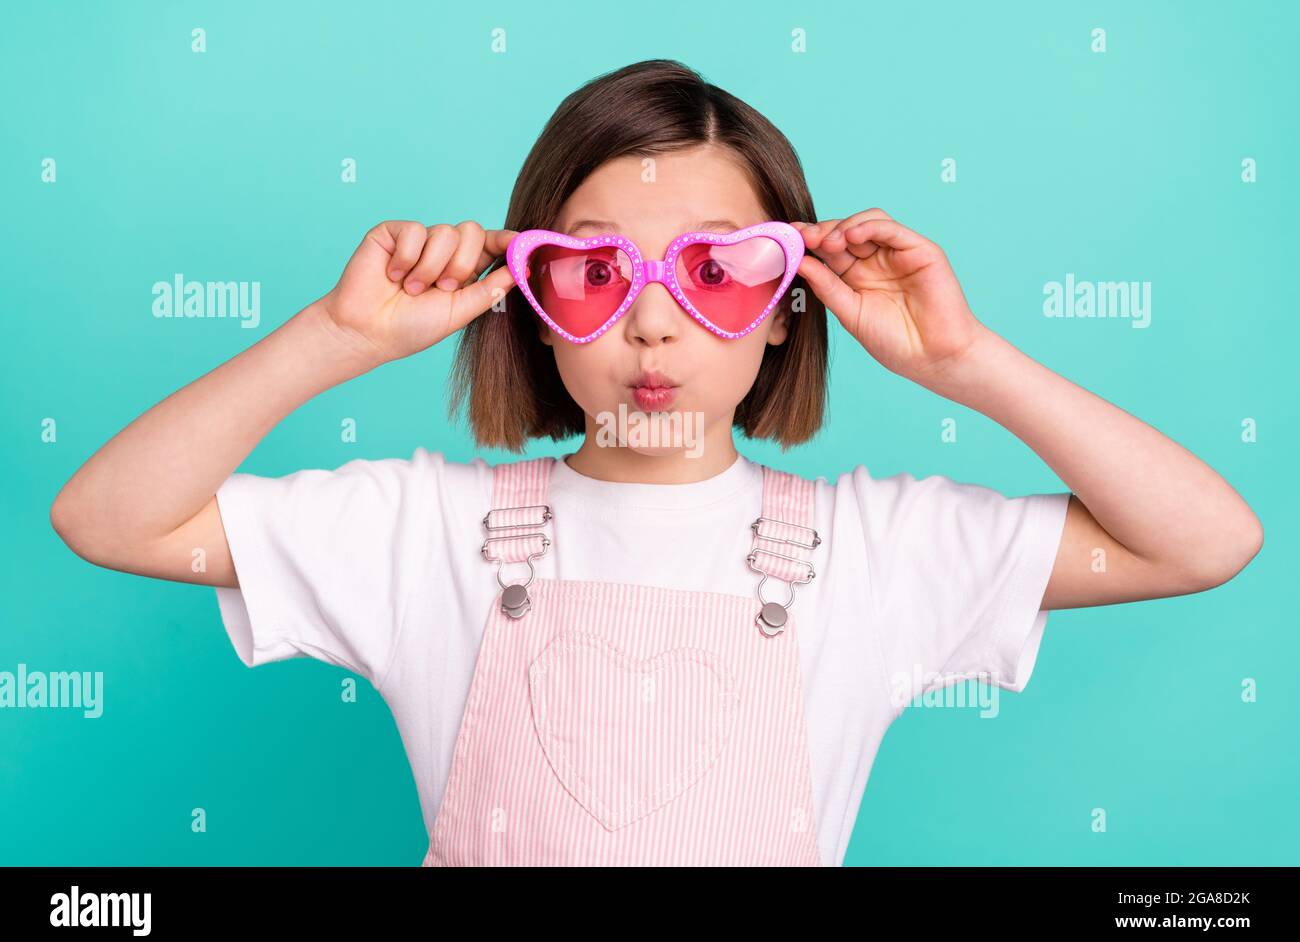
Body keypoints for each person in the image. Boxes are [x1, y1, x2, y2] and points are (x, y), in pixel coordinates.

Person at [50, 59, 1262, 867]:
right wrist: (332, 337)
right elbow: (108, 518)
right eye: (591, 269)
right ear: (525, 300)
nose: (652, 323)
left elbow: (1204, 538)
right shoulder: (420, 530)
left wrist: (963, 360)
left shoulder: (876, 551)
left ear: (789, 301)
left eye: (715, 269)